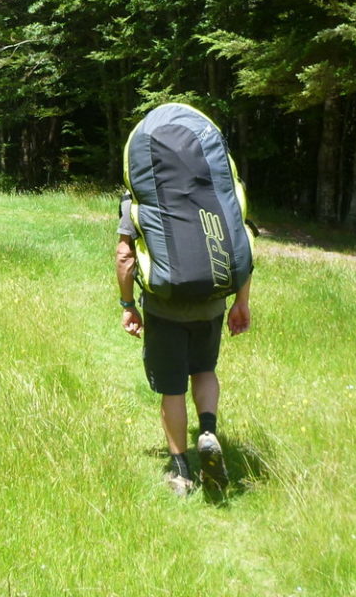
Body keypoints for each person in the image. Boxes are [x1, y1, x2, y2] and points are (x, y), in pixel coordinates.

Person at [117, 196, 251, 496]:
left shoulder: (140, 194)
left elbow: (124, 256)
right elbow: (241, 248)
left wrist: (127, 304)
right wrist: (241, 301)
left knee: (173, 388)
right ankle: (206, 431)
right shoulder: (214, 186)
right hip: (211, 304)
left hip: (164, 307)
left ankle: (181, 472)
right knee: (204, 369)